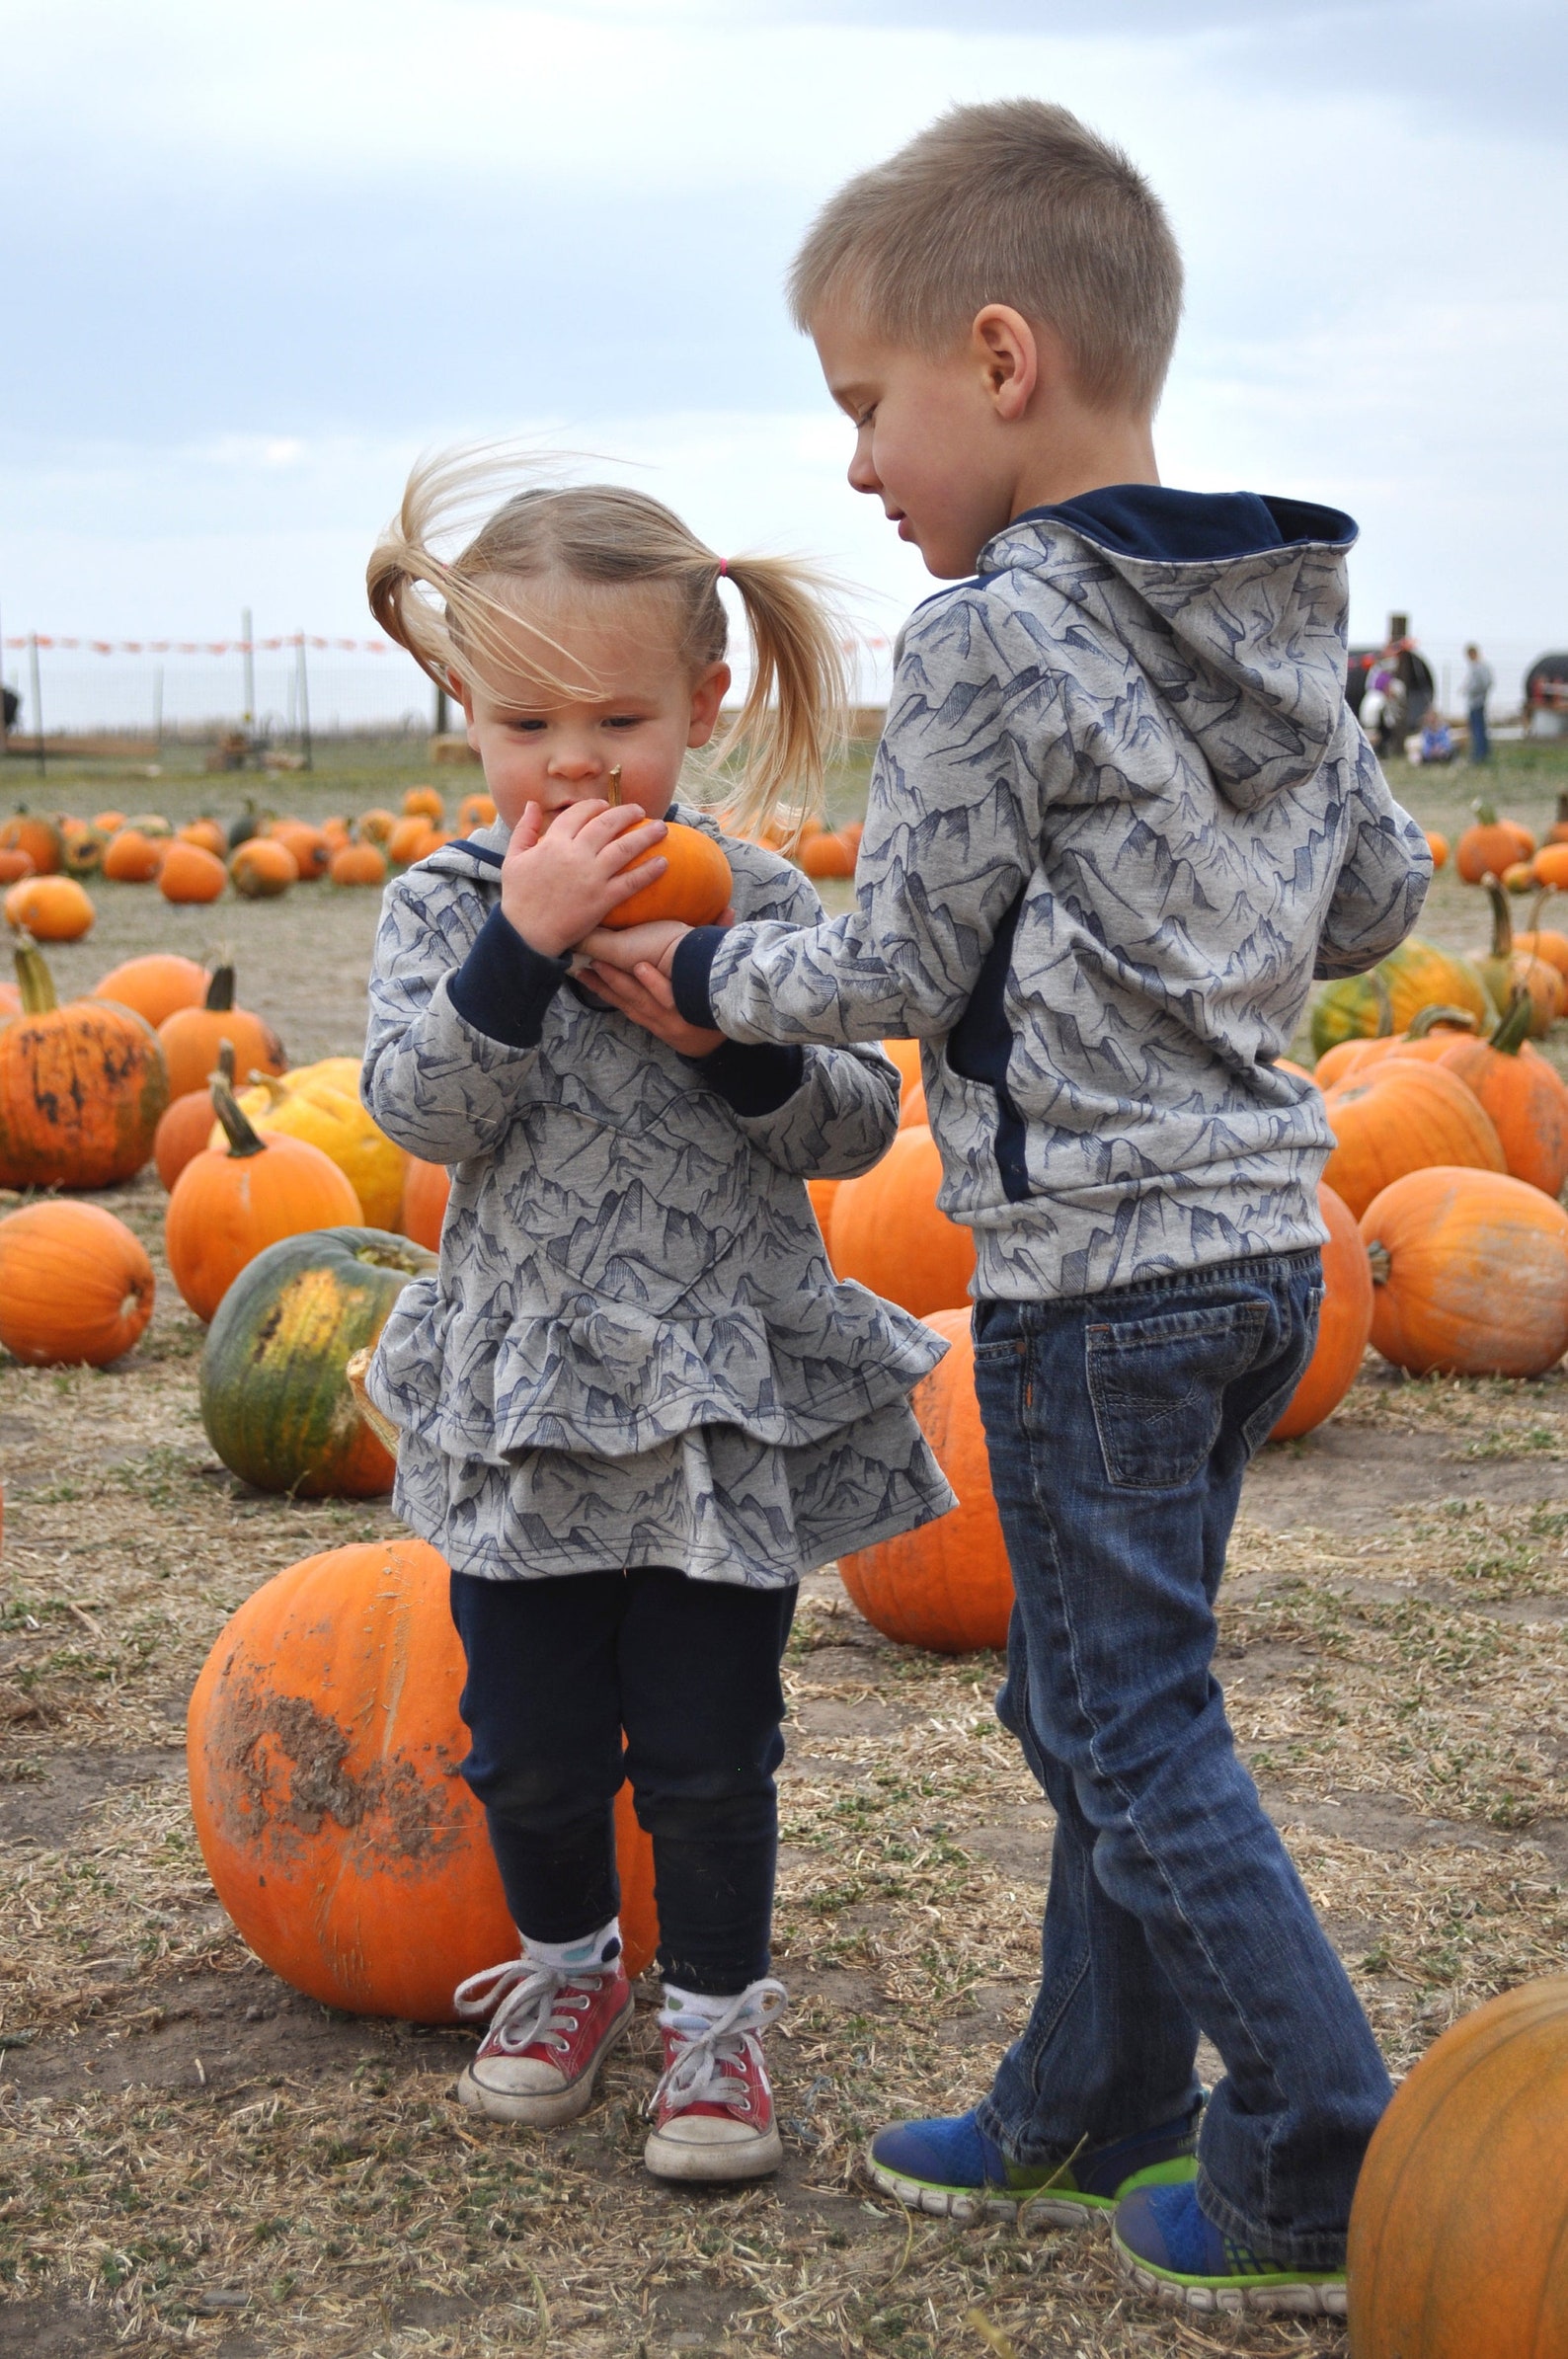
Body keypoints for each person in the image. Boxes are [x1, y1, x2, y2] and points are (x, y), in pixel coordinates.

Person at [583, 98, 1431, 2314]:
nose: (856, 469)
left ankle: (1326, 2145)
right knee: (1092, 1691)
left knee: (1120, 1718)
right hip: (1265, 1244)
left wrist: (688, 976)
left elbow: (892, 962)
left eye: (864, 409)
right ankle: (1086, 2093)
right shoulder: (1276, 609)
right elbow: (1368, 899)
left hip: (1094, 1270)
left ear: (995, 357)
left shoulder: (985, 637)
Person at [358, 462, 954, 2182]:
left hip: (711, 1392)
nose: (569, 760)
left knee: (705, 1741)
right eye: (525, 715)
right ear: (467, 708)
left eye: (616, 717)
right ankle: (564, 1966)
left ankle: (713, 2010)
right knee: (525, 1745)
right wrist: (522, 950)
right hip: (533, 1394)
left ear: (701, 702)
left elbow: (851, 1117)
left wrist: (721, 1027)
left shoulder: (756, 896)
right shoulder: (444, 907)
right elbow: (418, 1105)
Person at [1463, 643, 1494, 763]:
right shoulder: (1480, 667)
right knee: (1480, 728)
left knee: (1477, 729)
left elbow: (1483, 684)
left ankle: (1479, 755)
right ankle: (1483, 753)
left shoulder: (1479, 667)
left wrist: (1471, 690)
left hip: (1476, 702)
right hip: (1477, 701)